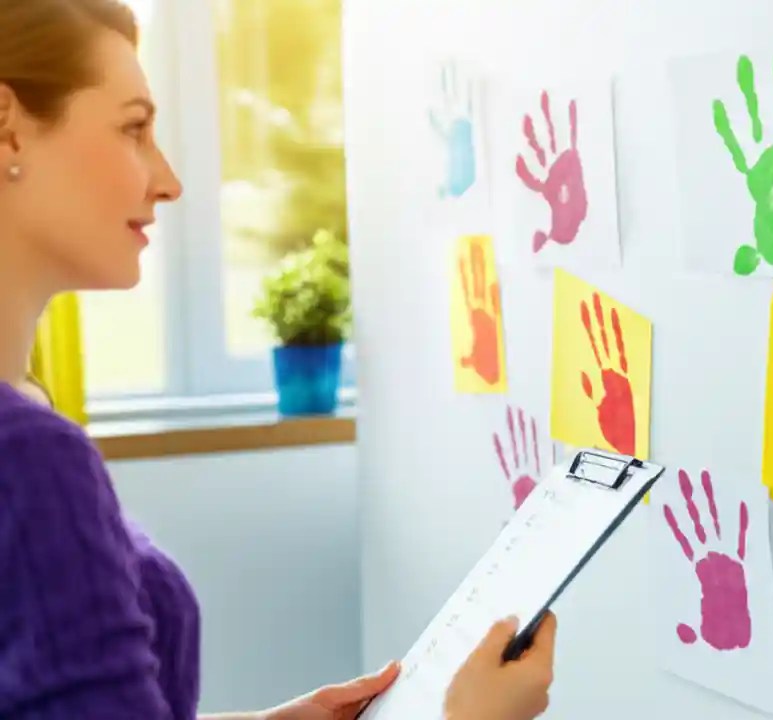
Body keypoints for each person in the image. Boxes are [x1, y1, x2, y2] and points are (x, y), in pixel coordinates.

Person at [0, 2, 556, 718]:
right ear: (7, 127)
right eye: (133, 129)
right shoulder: (28, 455)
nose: (168, 180)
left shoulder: (29, 411)